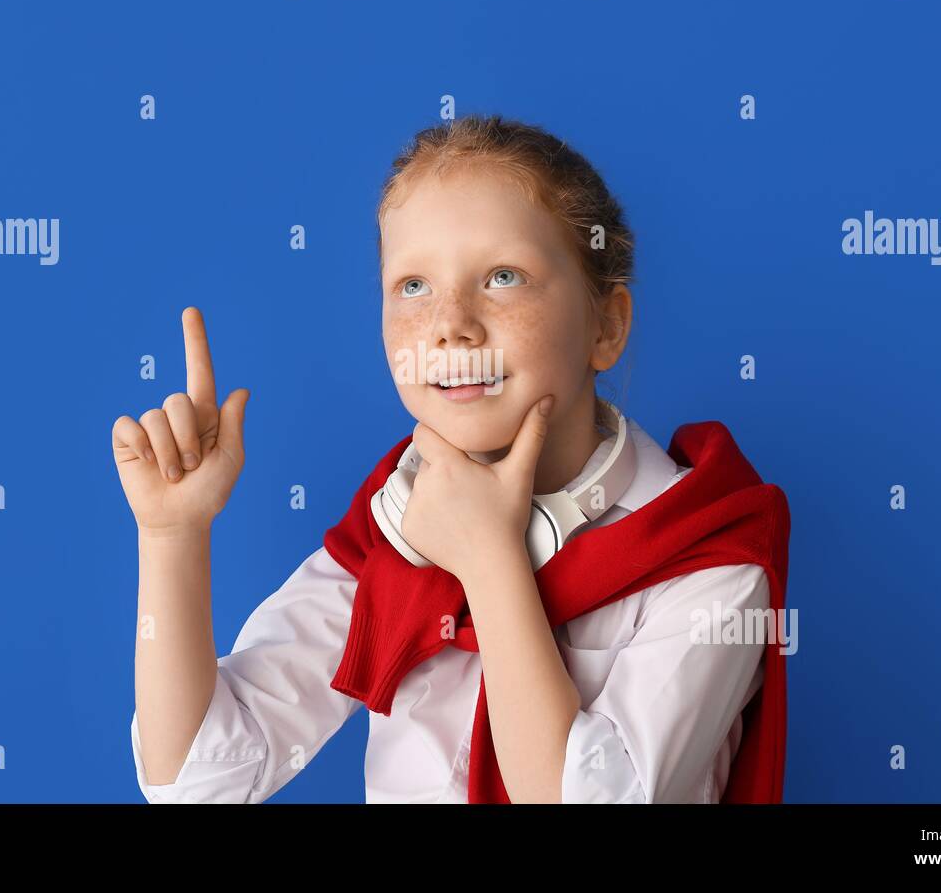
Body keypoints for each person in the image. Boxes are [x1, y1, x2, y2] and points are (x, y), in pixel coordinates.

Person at [112, 114, 790, 803]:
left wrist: (489, 558)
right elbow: (198, 781)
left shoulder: (710, 560)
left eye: (502, 276)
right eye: (413, 286)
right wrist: (172, 536)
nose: (450, 324)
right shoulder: (395, 525)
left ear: (606, 326)